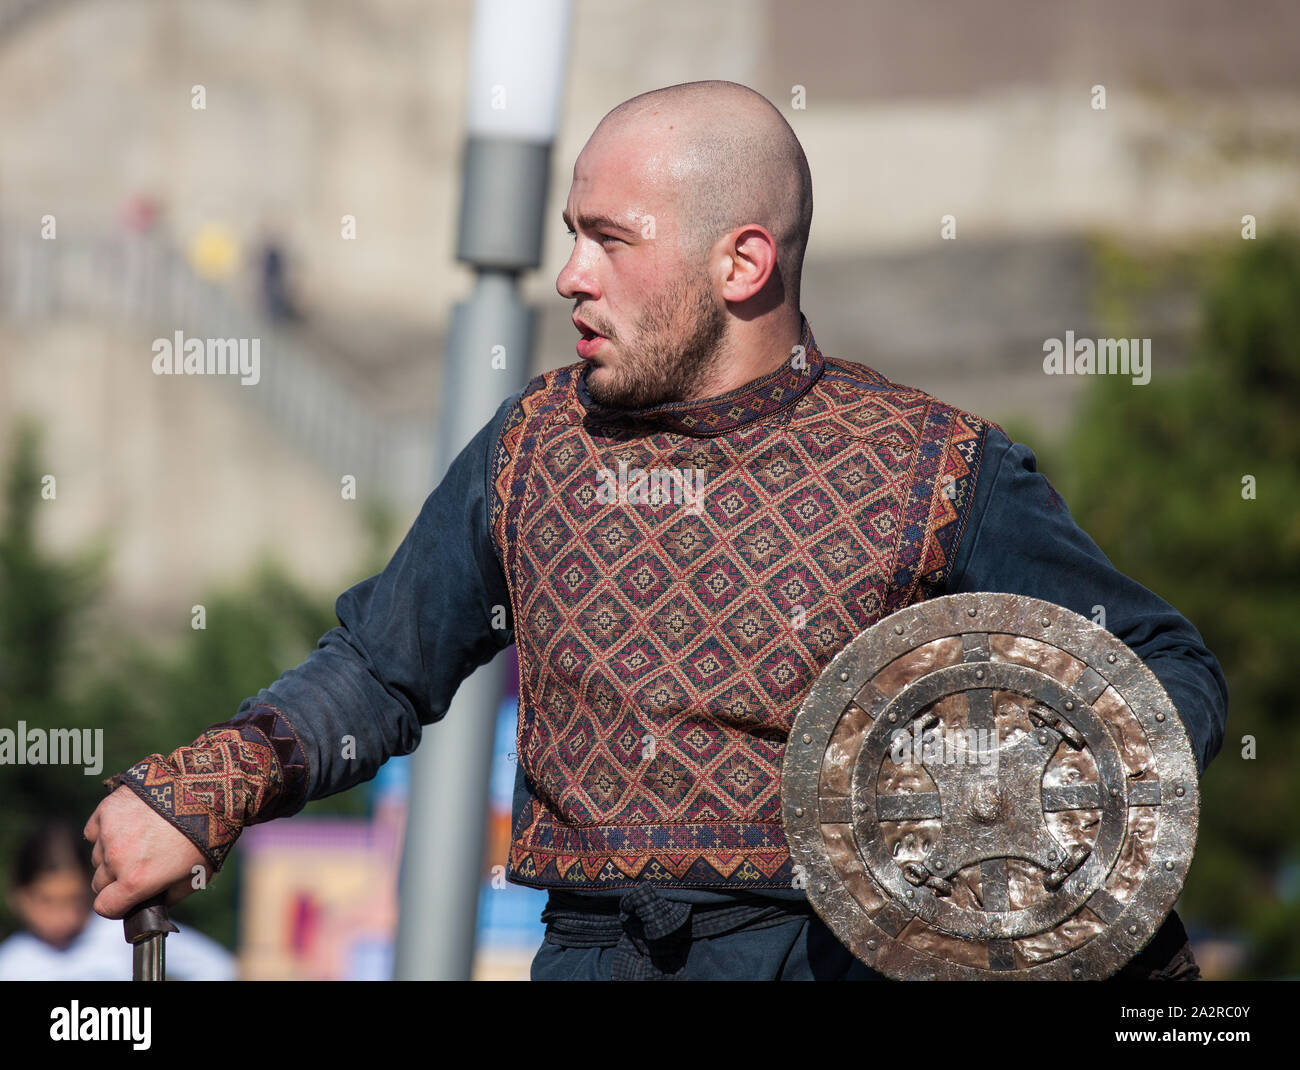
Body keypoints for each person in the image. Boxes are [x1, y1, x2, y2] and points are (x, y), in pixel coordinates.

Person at [84, 80, 1227, 981]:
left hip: (840, 961)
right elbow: (383, 664)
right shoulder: (530, 444)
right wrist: (204, 787)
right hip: (591, 957)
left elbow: (1165, 667)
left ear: (741, 261)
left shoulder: (940, 466)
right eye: (570, 234)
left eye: (609, 238)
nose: (571, 274)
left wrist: (1006, 792)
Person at [1, 820, 235, 981]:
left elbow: (216, 968)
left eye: (74, 900)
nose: (64, 917)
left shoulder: (126, 933)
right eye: (47, 901)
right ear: (20, 896)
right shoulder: (9, 965)